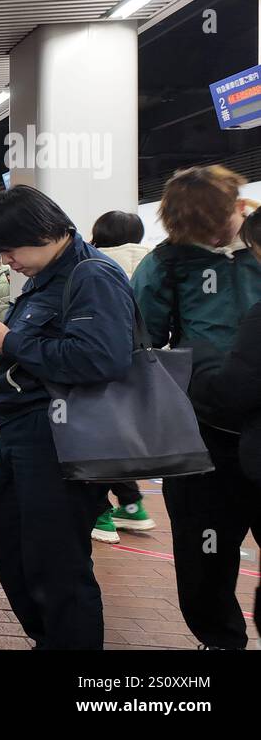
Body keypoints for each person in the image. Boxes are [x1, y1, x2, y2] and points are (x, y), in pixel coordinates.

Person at [0, 185, 134, 650]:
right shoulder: (47, 276)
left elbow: (102, 359)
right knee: (12, 546)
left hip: (61, 435)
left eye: (8, 249)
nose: (6, 260)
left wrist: (9, 343)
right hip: (25, 432)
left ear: (42, 231)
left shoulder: (91, 274)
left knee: (56, 563)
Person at [131, 165, 261, 650]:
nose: (217, 232)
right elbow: (143, 339)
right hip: (204, 432)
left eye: (222, 219)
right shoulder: (166, 263)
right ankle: (219, 639)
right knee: (204, 549)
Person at [184, 207, 261, 643]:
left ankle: (220, 638)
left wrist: (198, 367)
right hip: (225, 443)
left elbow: (236, 388)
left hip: (225, 441)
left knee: (207, 554)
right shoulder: (170, 262)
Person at [87, 210, 157, 543]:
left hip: (101, 364)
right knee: (121, 436)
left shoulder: (92, 263)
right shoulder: (155, 261)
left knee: (93, 438)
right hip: (146, 366)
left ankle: (99, 514)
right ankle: (131, 506)